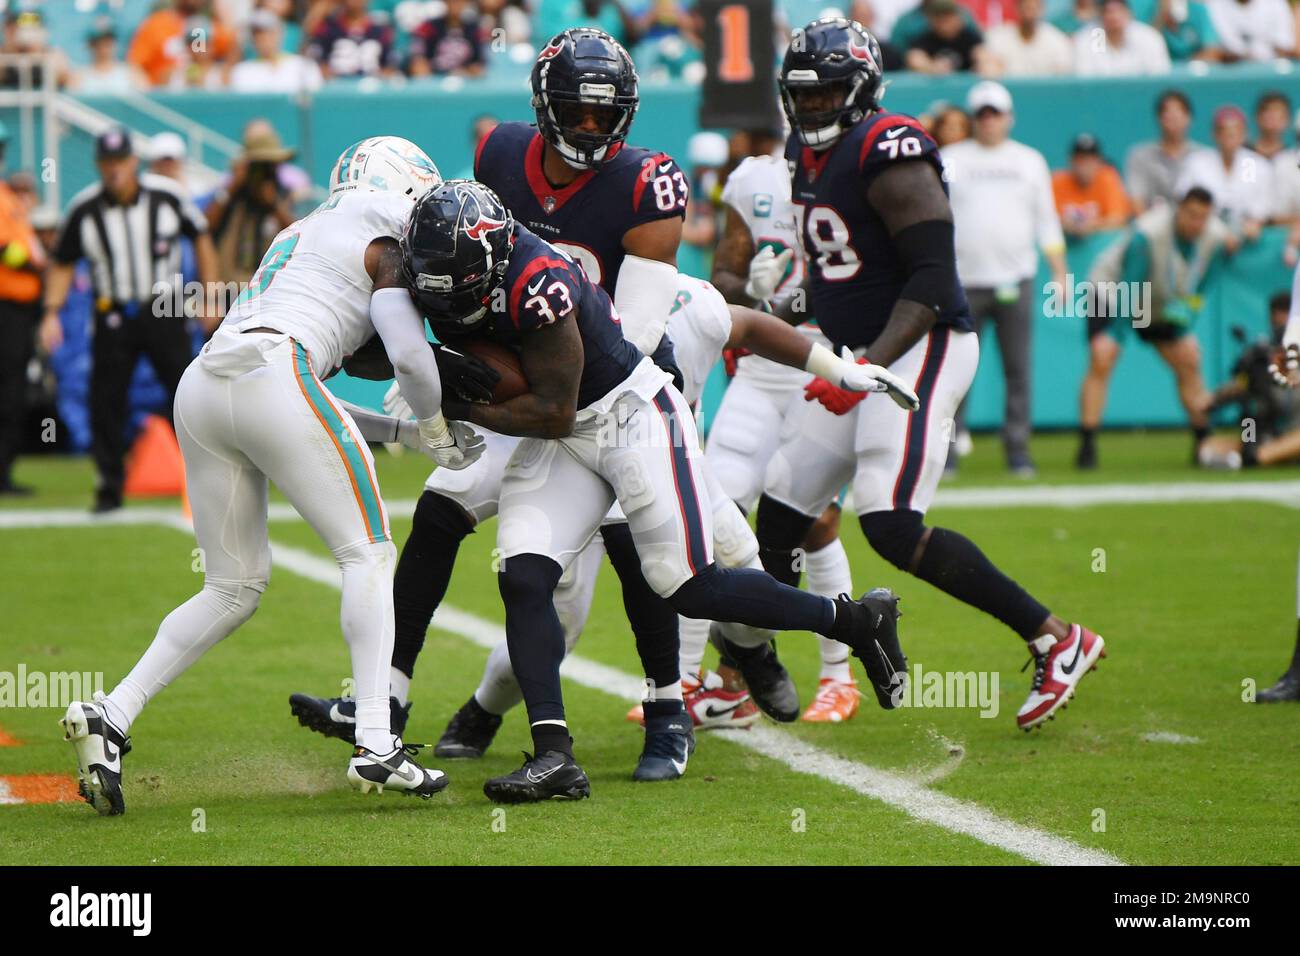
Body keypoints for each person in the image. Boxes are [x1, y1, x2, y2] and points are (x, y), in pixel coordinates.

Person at [402, 180, 912, 803]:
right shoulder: (439, 265)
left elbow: (556, 411)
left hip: (627, 417)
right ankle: (554, 756)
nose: (449, 299)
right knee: (524, 576)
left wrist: (447, 402)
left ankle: (858, 620)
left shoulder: (541, 281)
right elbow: (395, 336)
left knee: (688, 585)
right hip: (564, 437)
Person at [59, 137, 473, 816]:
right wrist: (434, 428)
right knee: (367, 550)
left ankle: (109, 712)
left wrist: (403, 432)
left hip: (206, 386)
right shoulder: (384, 224)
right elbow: (402, 355)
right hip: (273, 373)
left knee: (232, 585)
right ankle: (375, 742)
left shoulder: (304, 228)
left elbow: (305, 391)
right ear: (403, 183)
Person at [762, 16, 1105, 733]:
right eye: (803, 96)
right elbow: (843, 265)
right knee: (779, 515)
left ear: (858, 92)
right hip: (859, 352)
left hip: (922, 343)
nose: (813, 109)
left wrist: (865, 366)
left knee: (886, 522)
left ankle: (1055, 637)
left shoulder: (891, 147)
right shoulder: (804, 152)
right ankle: (762, 663)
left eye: (826, 96)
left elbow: (930, 276)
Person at [707, 140, 861, 723]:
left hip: (830, 363)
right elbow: (724, 275)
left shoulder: (859, 170)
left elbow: (862, 280)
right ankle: (712, 681)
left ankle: (838, 676)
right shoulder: (752, 179)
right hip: (760, 368)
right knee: (709, 513)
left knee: (814, 522)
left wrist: (790, 300)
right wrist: (753, 293)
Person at [40, 128, 220, 514]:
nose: (114, 169)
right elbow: (63, 261)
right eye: (107, 162)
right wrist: (52, 312)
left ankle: (209, 478)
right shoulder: (85, 208)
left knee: (187, 391)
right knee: (105, 400)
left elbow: (202, 238)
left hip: (164, 306)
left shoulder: (167, 196)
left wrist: (210, 295)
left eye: (120, 161)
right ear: (99, 165)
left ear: (132, 161)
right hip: (113, 311)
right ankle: (109, 486)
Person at [943, 81, 1066, 478]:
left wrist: (1060, 273)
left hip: (1016, 278)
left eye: (995, 114)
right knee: (954, 372)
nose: (989, 121)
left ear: (1008, 118)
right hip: (962, 282)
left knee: (1018, 370)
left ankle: (1017, 450)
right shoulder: (950, 158)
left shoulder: (1029, 161)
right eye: (982, 114)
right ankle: (946, 451)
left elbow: (1047, 222)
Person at [1075, 187, 1232, 469]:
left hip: (1161, 297)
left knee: (1188, 359)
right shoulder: (1148, 233)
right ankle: (1087, 444)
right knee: (1103, 357)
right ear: (1179, 210)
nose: (1197, 224)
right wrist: (1115, 335)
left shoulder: (1217, 237)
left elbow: (1203, 287)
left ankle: (1203, 441)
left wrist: (1185, 325)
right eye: (1192, 215)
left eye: (1203, 218)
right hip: (1112, 290)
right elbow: (1131, 286)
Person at [1199, 291, 1300, 470]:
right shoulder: (1260, 355)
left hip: (1295, 434)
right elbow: (1237, 388)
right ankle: (1252, 453)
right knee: (1208, 446)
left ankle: (1256, 457)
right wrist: (1213, 400)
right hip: (1269, 433)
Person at [205, 127, 299, 314]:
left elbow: (296, 235)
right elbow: (205, 226)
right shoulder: (231, 196)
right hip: (228, 291)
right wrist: (232, 186)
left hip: (266, 293)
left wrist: (273, 204)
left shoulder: (282, 195)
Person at [0, 121, 43, 496]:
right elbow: (5, 250)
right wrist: (35, 265)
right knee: (9, 389)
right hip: (6, 307)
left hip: (18, 308)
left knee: (15, 388)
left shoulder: (8, 196)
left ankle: (5, 469)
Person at [1176, 105, 1273, 240]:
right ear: (1215, 134)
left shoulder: (1254, 164)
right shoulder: (1197, 162)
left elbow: (1261, 205)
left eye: (1236, 132)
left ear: (1244, 134)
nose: (1230, 137)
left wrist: (1250, 224)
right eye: (1225, 132)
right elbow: (1184, 198)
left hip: (1246, 233)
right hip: (1203, 232)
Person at [1125, 89, 1211, 214]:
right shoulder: (1140, 155)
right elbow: (1136, 200)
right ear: (1159, 119)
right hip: (1153, 223)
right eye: (1168, 116)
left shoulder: (1203, 156)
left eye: (1178, 115)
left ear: (1189, 118)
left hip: (1194, 224)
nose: (1173, 121)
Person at [128, 0, 238, 88]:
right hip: (164, 95)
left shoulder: (208, 25)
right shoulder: (156, 24)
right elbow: (136, 66)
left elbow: (233, 48)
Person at [1053, 133, 1133, 239]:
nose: (1086, 166)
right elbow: (1046, 220)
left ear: (1099, 161)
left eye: (1090, 160)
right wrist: (1067, 225)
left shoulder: (1108, 178)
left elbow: (1119, 219)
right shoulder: (1058, 181)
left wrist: (1092, 225)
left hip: (1103, 249)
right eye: (1081, 159)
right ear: (1071, 160)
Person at [229, 9, 324, 94]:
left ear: (280, 34)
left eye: (269, 33)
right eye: (257, 34)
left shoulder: (305, 67)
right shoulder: (242, 71)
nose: (264, 39)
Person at [305, 0, 400, 80]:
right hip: (337, 88)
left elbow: (390, 64)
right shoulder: (328, 28)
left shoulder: (381, 30)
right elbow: (317, 60)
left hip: (372, 89)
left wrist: (379, 78)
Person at [1072, 0, 1171, 74]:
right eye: (1108, 11)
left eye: (1119, 9)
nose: (1114, 16)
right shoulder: (1089, 38)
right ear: (1100, 13)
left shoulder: (1148, 38)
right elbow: (1085, 80)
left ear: (1128, 11)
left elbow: (1159, 77)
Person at [980, 0, 1074, 75]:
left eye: (1034, 8)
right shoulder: (998, 38)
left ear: (1042, 9)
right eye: (1026, 8)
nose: (1030, 13)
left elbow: (1063, 76)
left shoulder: (1057, 40)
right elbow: (988, 72)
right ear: (1017, 8)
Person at [905, 0, 989, 74]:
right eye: (939, 18)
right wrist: (931, 67)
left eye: (948, 18)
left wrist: (981, 66)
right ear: (931, 20)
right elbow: (914, 57)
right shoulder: (926, 37)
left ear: (957, 17)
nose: (944, 24)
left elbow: (983, 54)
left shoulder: (969, 37)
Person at [407, 0, 487, 77]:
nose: (455, 4)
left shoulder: (474, 30)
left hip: (464, 81)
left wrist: (470, 71)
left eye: (459, 1)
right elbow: (417, 56)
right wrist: (419, 63)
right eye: (451, 1)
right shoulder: (429, 27)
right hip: (433, 78)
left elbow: (479, 63)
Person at [72, 17, 146, 93]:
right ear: (90, 45)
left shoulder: (132, 73)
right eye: (99, 42)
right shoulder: (79, 76)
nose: (104, 46)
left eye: (108, 41)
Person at [1208, 0, 1297, 62]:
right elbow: (1222, 48)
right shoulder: (1216, 4)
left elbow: (1285, 46)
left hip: (1272, 70)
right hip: (1233, 72)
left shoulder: (1276, 3)